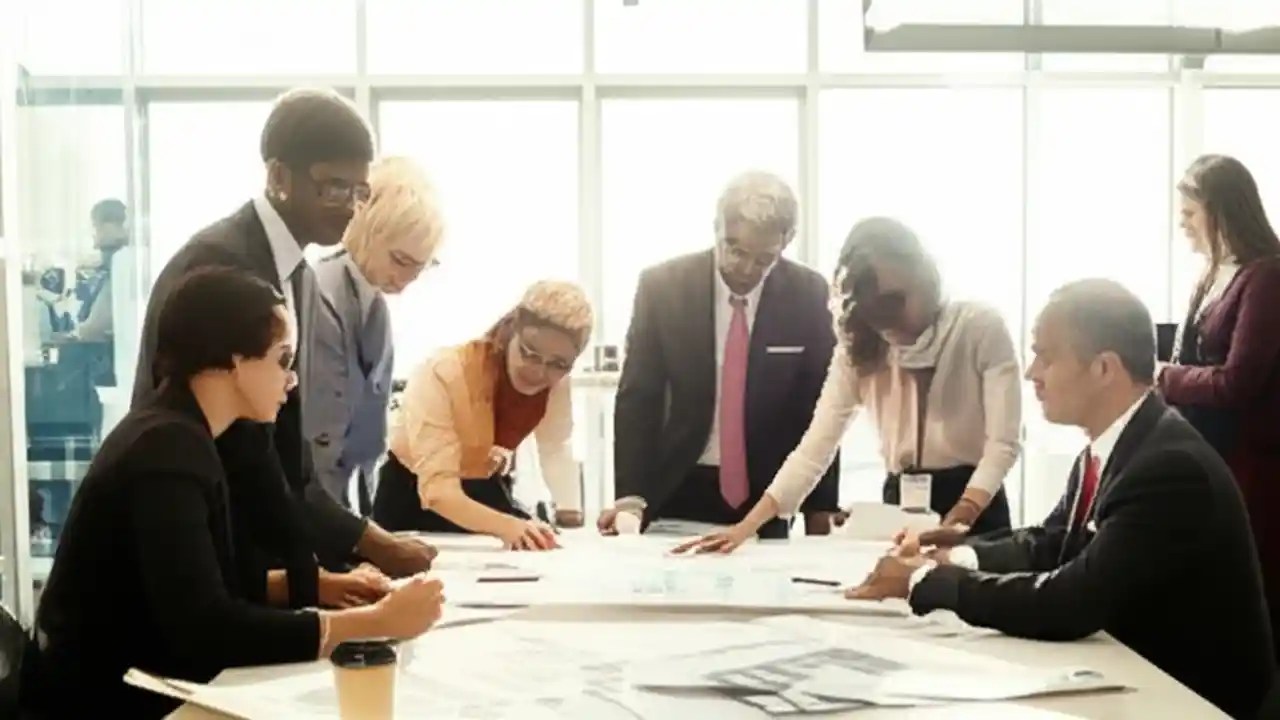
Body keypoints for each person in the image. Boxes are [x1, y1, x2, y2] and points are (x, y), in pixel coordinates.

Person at [24, 267, 445, 719]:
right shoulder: (167, 450)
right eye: (283, 359)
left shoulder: (183, 432)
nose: (292, 380)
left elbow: (202, 583)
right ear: (233, 359)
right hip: (95, 703)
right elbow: (206, 629)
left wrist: (326, 587)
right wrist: (374, 624)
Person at [853, 279, 1274, 720]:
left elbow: (1072, 601)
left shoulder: (1169, 468)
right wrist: (954, 556)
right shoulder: (1118, 445)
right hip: (1131, 675)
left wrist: (925, 582)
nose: (1032, 372)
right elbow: (1051, 542)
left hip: (1194, 700)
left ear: (1104, 368)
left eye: (1046, 356)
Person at [131, 88, 436, 579]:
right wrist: (323, 572)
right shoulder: (222, 262)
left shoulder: (296, 273)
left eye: (360, 192)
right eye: (334, 187)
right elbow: (241, 449)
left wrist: (358, 545)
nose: (351, 207)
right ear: (278, 176)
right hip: (194, 534)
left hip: (239, 541)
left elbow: (286, 452)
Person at [678, 217, 1019, 553]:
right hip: (902, 505)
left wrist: (963, 514)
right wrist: (745, 528)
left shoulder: (979, 327)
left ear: (923, 275)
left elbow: (1003, 443)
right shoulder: (859, 347)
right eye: (876, 307)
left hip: (976, 498)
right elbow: (814, 450)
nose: (891, 318)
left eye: (897, 299)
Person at [602, 171, 840, 538]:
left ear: (787, 241)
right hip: (675, 485)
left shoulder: (808, 293)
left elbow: (821, 408)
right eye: (735, 249)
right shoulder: (662, 287)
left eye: (764, 259)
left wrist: (820, 509)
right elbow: (639, 396)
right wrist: (629, 499)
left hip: (767, 496)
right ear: (716, 226)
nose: (746, 268)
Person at [1158, 154, 1280, 659]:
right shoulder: (1213, 274)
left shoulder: (1267, 278)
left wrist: (1164, 377)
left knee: (1251, 584)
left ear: (1220, 211)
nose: (1182, 225)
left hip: (1252, 463)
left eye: (1189, 214)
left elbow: (1237, 382)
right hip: (1213, 451)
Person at [373, 280, 592, 548]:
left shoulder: (557, 382)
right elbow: (437, 491)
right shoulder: (446, 372)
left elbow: (555, 447)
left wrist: (569, 518)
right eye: (529, 354)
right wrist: (507, 525)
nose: (540, 372)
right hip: (413, 496)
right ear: (512, 330)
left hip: (483, 486)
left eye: (558, 364)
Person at [308, 156, 444, 515]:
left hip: (345, 501)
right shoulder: (320, 294)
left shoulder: (375, 307)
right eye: (400, 260)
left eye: (421, 267)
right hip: (315, 503)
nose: (407, 279)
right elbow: (320, 438)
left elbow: (366, 437)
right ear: (365, 229)